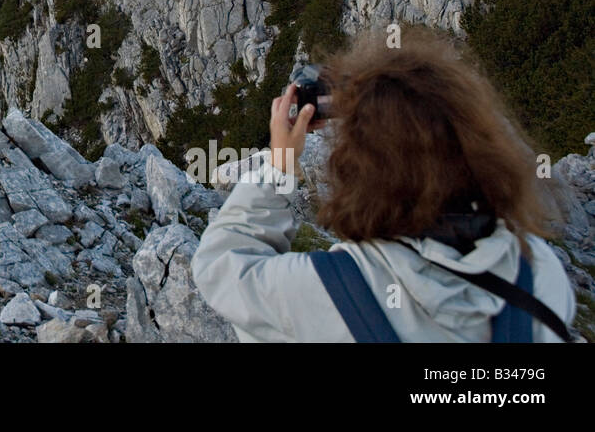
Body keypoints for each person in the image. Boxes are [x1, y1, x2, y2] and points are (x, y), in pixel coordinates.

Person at [191, 27, 577, 342]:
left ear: (361, 170)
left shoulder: (331, 291)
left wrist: (279, 165)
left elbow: (222, 265)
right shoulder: (538, 275)